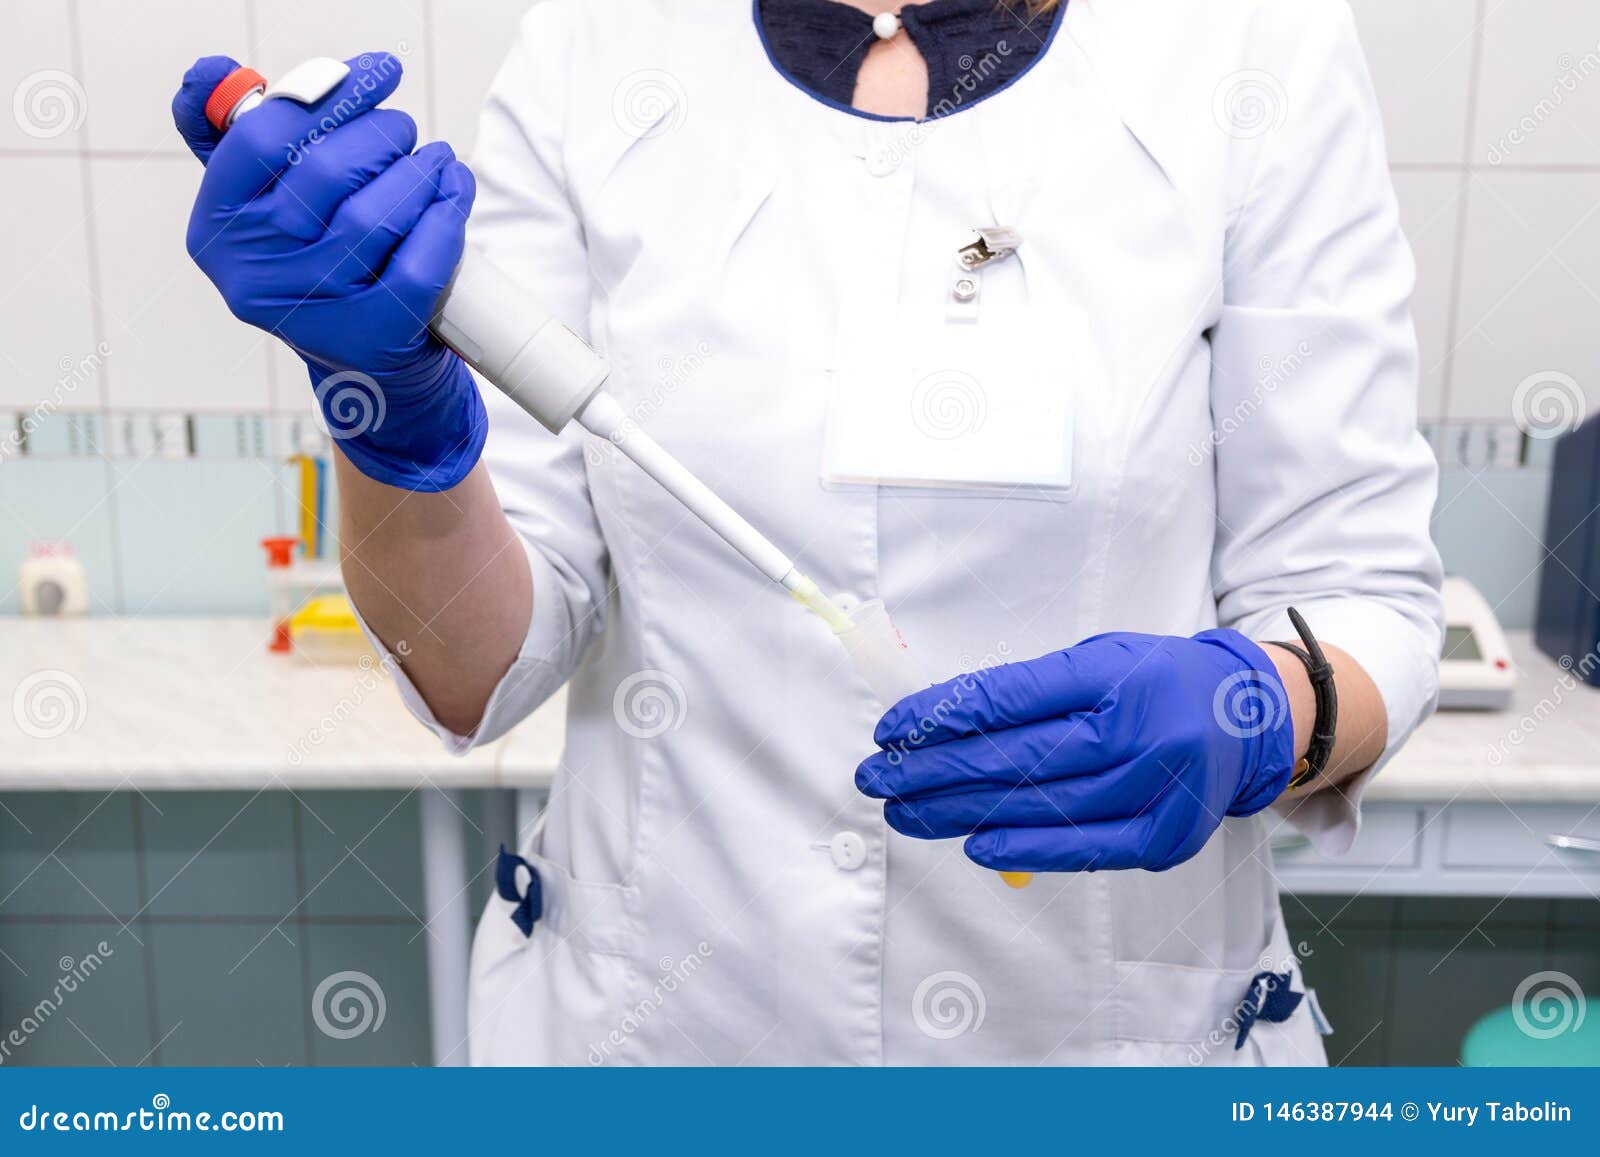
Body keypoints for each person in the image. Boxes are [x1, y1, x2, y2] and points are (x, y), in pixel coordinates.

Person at [173, 0, 1442, 1065]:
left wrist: (1263, 715)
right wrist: (387, 411)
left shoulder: (1249, 45)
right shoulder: (597, 46)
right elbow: (473, 666)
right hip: (670, 1040)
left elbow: (1361, 587)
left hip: (1110, 1047)